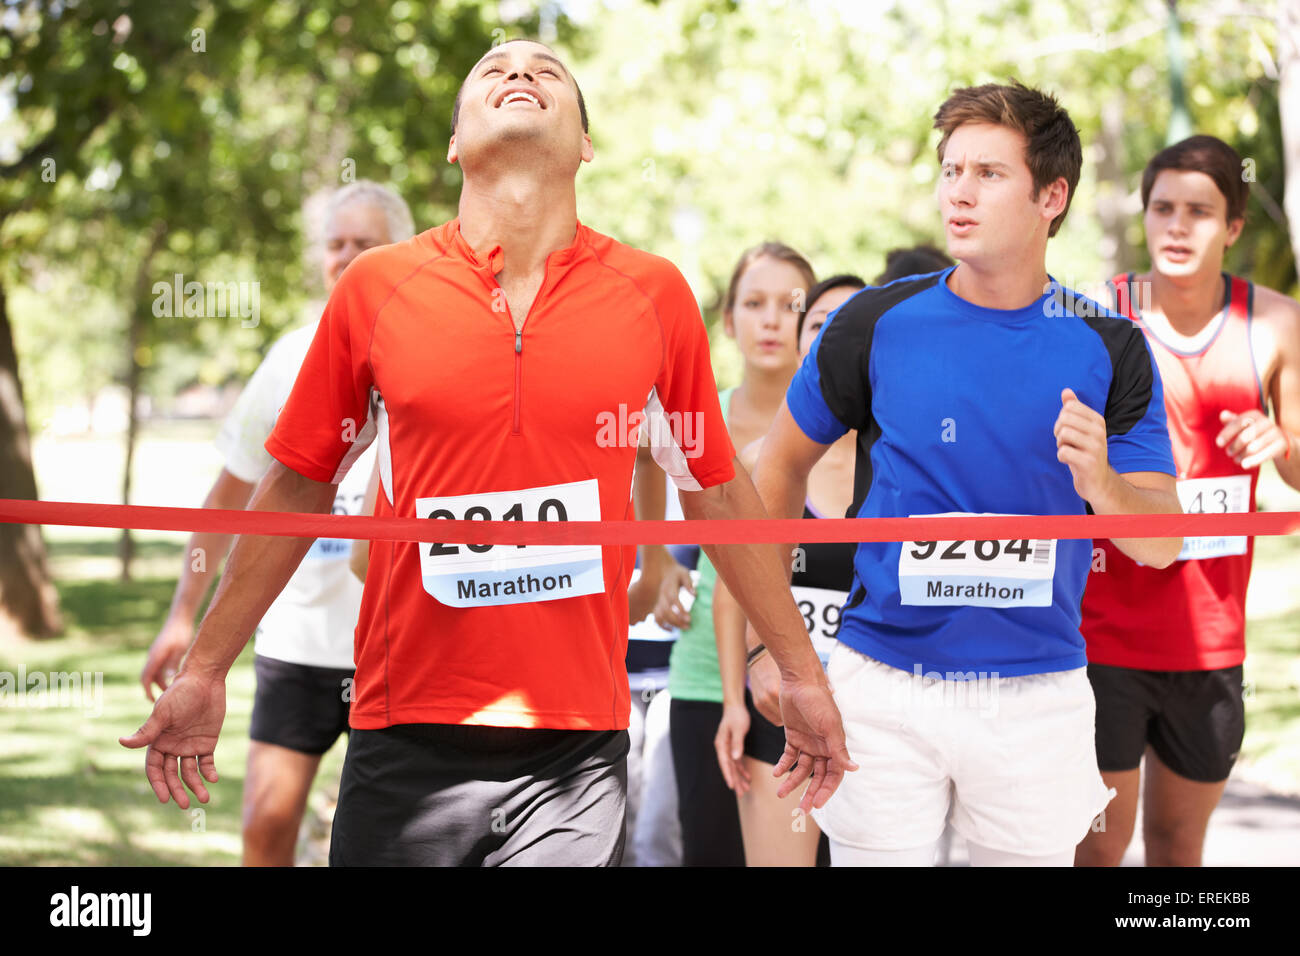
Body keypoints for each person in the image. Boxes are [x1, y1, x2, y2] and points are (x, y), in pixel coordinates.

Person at [120, 38, 854, 867]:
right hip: (403, 729)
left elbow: (715, 492)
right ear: (453, 142)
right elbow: (296, 484)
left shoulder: (653, 294)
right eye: (492, 73)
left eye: (547, 73)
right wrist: (208, 665)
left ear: (584, 144)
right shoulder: (377, 287)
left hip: (574, 754)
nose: (518, 74)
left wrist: (799, 672)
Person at [748, 81, 1183, 866]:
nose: (959, 193)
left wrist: (1103, 482)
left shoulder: (1109, 344)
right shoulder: (872, 323)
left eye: (988, 173)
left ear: (1052, 195)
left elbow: (1159, 543)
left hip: (1036, 696)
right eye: (951, 170)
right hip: (880, 684)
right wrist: (773, 652)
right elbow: (774, 471)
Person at [138, 181, 413, 866]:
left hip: (399, 655)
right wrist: (183, 616)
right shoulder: (291, 356)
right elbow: (228, 496)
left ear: (400, 252)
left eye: (366, 243)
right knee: (264, 828)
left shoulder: (431, 352)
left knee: (392, 846)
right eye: (336, 243)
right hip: (296, 649)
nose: (347, 255)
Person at [1075, 135, 1300, 867]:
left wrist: (1281, 443)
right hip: (1100, 629)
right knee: (1099, 848)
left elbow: (1298, 474)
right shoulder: (1093, 314)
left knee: (1178, 849)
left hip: (1209, 637)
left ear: (1234, 226)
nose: (1176, 227)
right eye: (1162, 208)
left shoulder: (1274, 324)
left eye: (1199, 212)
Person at [663, 241, 814, 866]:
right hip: (706, 685)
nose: (772, 320)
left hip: (813, 685)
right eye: (754, 303)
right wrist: (661, 567)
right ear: (728, 321)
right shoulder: (701, 423)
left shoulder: (841, 429)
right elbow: (672, 535)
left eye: (791, 304)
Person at [713, 272, 864, 867]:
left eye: (848, 322)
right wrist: (738, 693)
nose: (831, 333)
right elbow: (735, 589)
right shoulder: (765, 457)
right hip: (784, 704)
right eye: (818, 322)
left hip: (882, 706)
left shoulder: (906, 459)